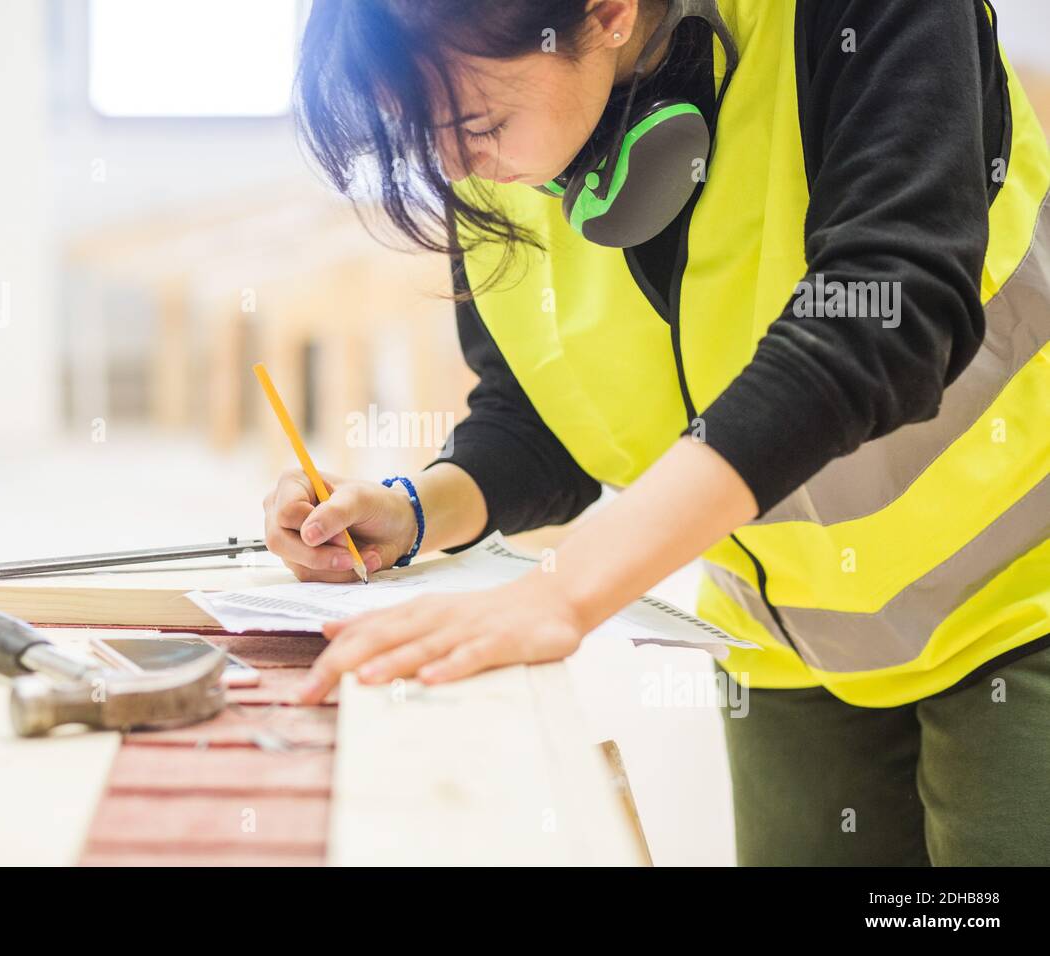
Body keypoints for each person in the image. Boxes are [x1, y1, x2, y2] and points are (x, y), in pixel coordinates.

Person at [264, 0, 1050, 864]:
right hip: (788, 642)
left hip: (1020, 606)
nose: (455, 165)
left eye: (476, 127)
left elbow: (886, 312)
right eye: (417, 137)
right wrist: (413, 511)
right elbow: (544, 422)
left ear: (606, 11)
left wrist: (567, 593)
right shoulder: (485, 116)